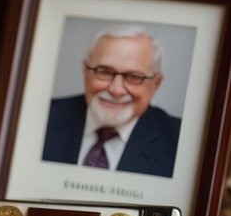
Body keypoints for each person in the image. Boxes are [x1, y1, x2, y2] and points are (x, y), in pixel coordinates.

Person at [42, 25, 182, 177]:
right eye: (105, 72)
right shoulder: (42, 117)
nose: (116, 90)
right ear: (85, 71)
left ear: (155, 84)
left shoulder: (180, 143)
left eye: (134, 76)